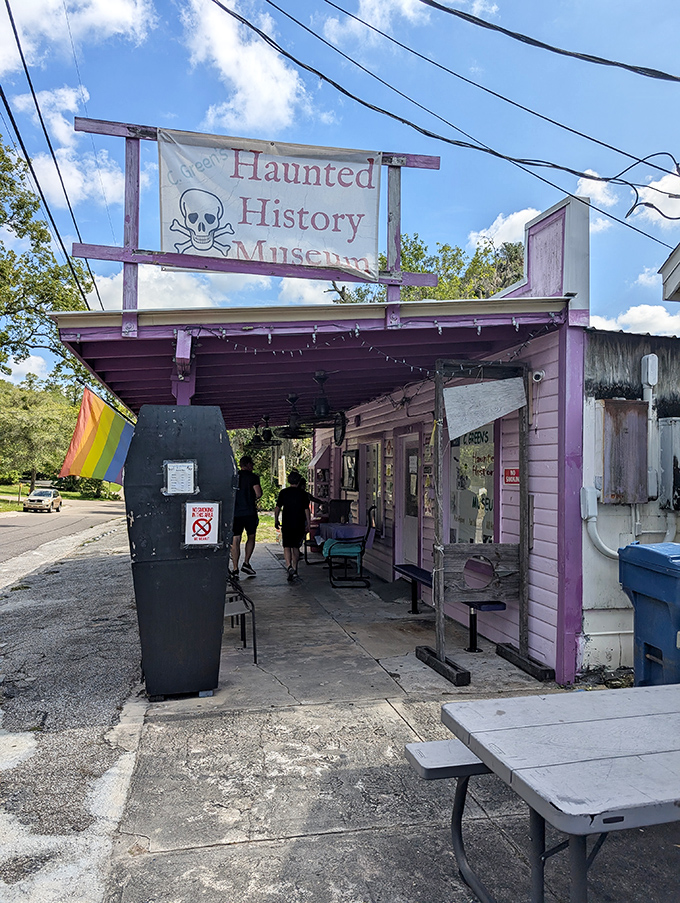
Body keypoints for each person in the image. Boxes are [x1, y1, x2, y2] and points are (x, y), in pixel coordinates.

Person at [274, 470, 311, 582]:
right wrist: (309, 523)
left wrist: (276, 520)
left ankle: (288, 565)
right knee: (295, 547)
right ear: (299, 482)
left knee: (287, 546)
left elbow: (277, 507)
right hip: (299, 522)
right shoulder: (303, 494)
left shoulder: (284, 493)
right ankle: (294, 568)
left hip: (287, 522)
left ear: (289, 481)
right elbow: (306, 510)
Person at [231, 455, 262, 578]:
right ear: (248, 465)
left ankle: (235, 568)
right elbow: (258, 493)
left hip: (235, 512)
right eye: (252, 464)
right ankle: (246, 562)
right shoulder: (253, 477)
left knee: (235, 539)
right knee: (251, 536)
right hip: (249, 512)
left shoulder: (234, 477)